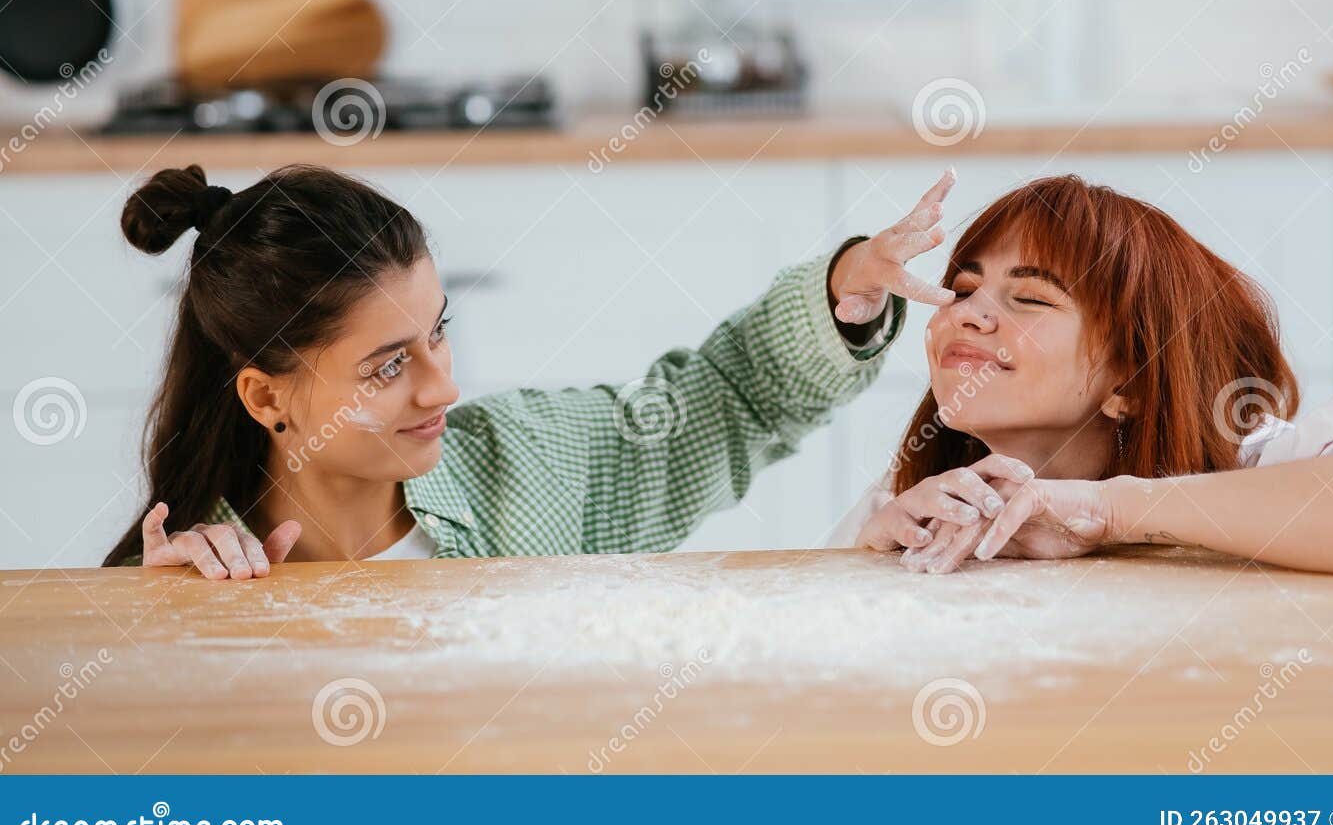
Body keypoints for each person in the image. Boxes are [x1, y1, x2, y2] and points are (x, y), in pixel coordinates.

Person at [105, 163, 958, 576]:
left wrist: (842, 293)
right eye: (387, 365)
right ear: (264, 395)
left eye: (439, 333)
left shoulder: (533, 468)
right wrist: (156, 635)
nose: (443, 387)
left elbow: (721, 400)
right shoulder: (191, 575)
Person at [833, 174, 1333, 576]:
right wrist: (870, 552)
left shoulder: (1255, 469)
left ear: (1133, 383)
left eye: (1029, 298)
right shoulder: (923, 498)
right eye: (963, 288)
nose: (969, 314)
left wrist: (1105, 510)